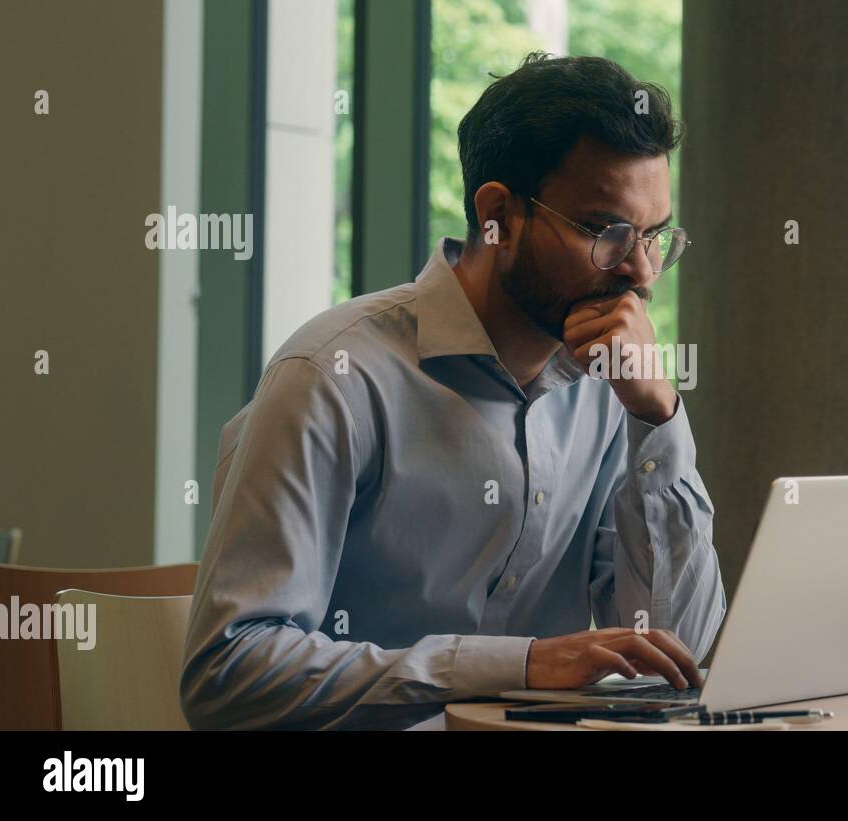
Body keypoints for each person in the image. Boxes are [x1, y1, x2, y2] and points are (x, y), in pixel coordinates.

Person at [179, 52, 727, 730]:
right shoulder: (331, 378)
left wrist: (658, 417)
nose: (642, 273)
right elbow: (228, 674)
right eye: (604, 230)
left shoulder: (613, 394)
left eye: (652, 236)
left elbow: (684, 656)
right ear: (498, 214)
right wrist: (515, 665)